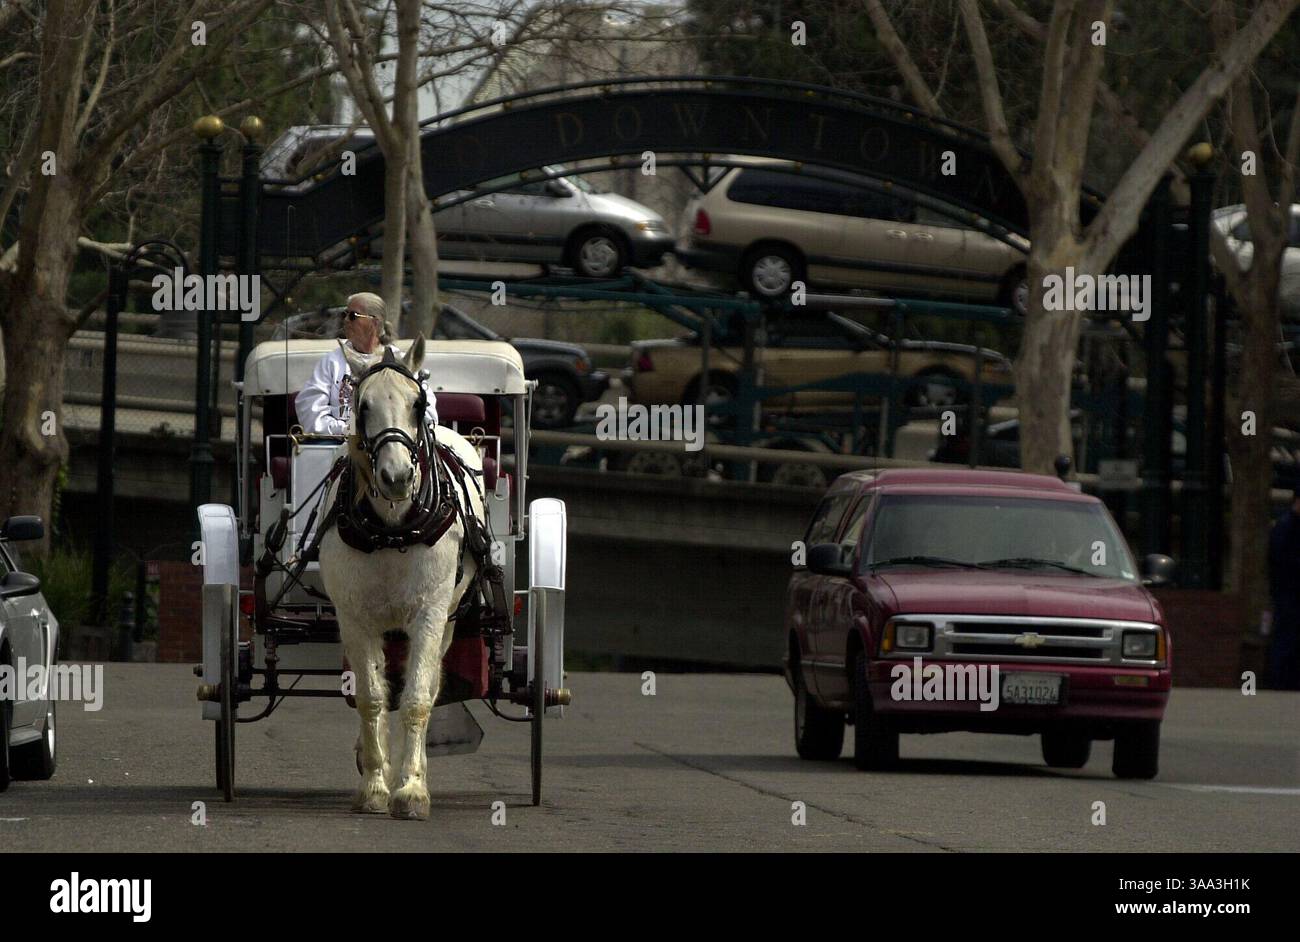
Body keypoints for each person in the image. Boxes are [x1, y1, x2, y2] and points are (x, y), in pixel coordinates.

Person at [295, 292, 439, 435]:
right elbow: (310, 410)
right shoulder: (332, 362)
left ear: (374, 322)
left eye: (353, 316)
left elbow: (429, 415)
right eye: (344, 315)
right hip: (337, 446)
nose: (345, 320)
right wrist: (350, 430)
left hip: (391, 448)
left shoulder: (400, 363)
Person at [1267, 485, 1300, 689]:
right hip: (1289, 594)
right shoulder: (1286, 526)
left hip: (1290, 594)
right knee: (1286, 639)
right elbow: (1282, 561)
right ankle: (1280, 681)